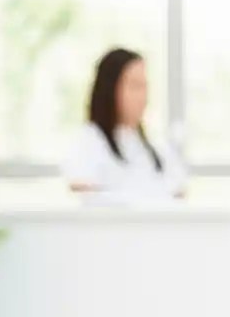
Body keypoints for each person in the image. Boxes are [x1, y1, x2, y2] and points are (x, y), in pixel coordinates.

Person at [63, 48, 186, 202]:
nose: (143, 96)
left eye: (145, 86)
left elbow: (179, 191)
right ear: (110, 89)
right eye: (135, 86)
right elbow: (83, 193)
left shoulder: (156, 146)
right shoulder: (87, 141)